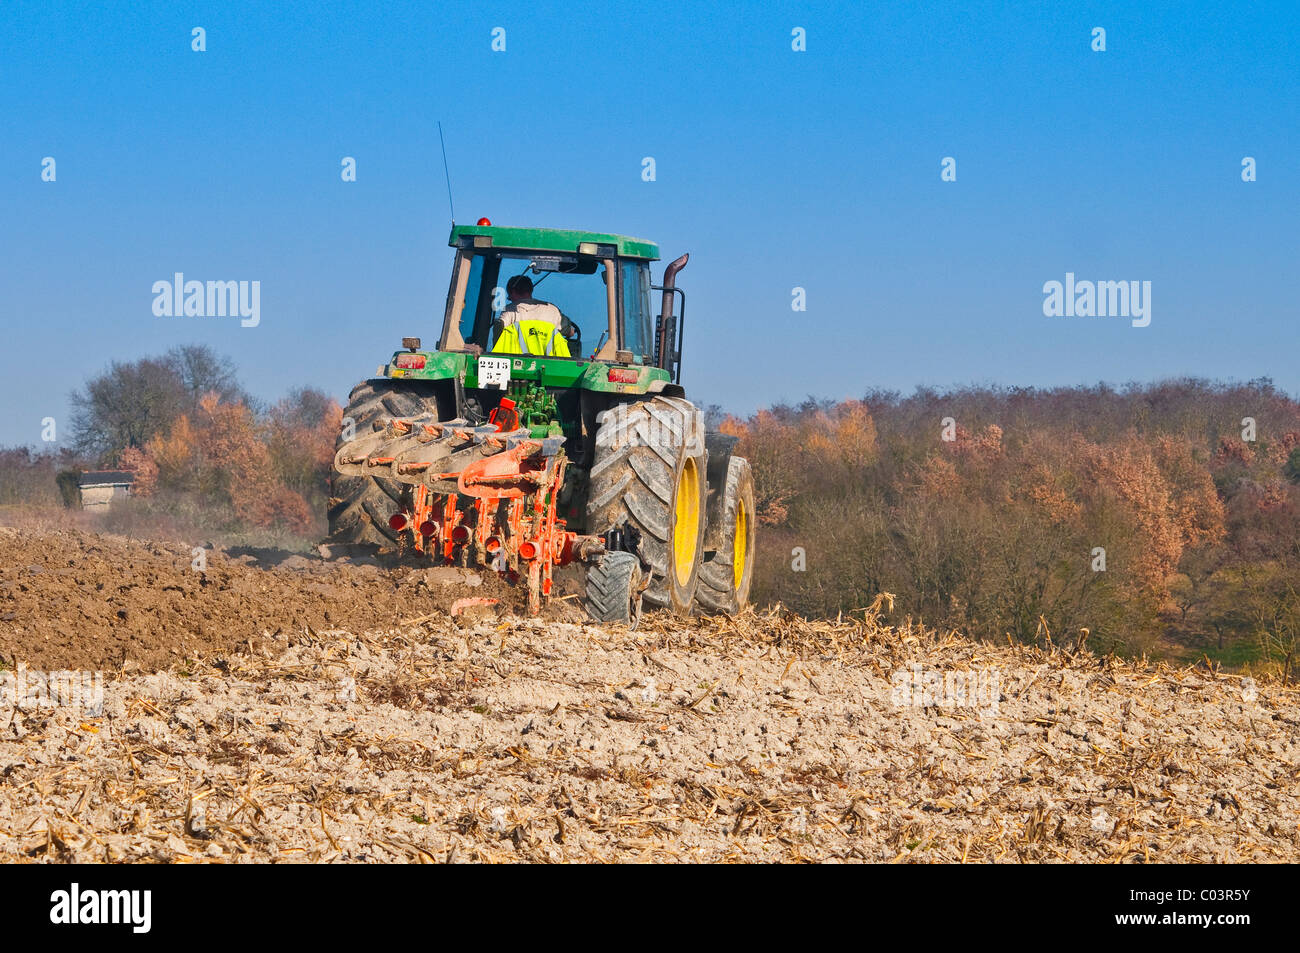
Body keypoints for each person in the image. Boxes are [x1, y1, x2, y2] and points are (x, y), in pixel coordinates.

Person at [494, 274, 579, 346]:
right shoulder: (552, 310)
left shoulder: (510, 311)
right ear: (531, 290)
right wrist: (570, 332)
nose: (510, 299)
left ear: (513, 292)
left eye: (509, 297)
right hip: (549, 363)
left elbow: (499, 336)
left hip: (517, 362)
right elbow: (570, 332)